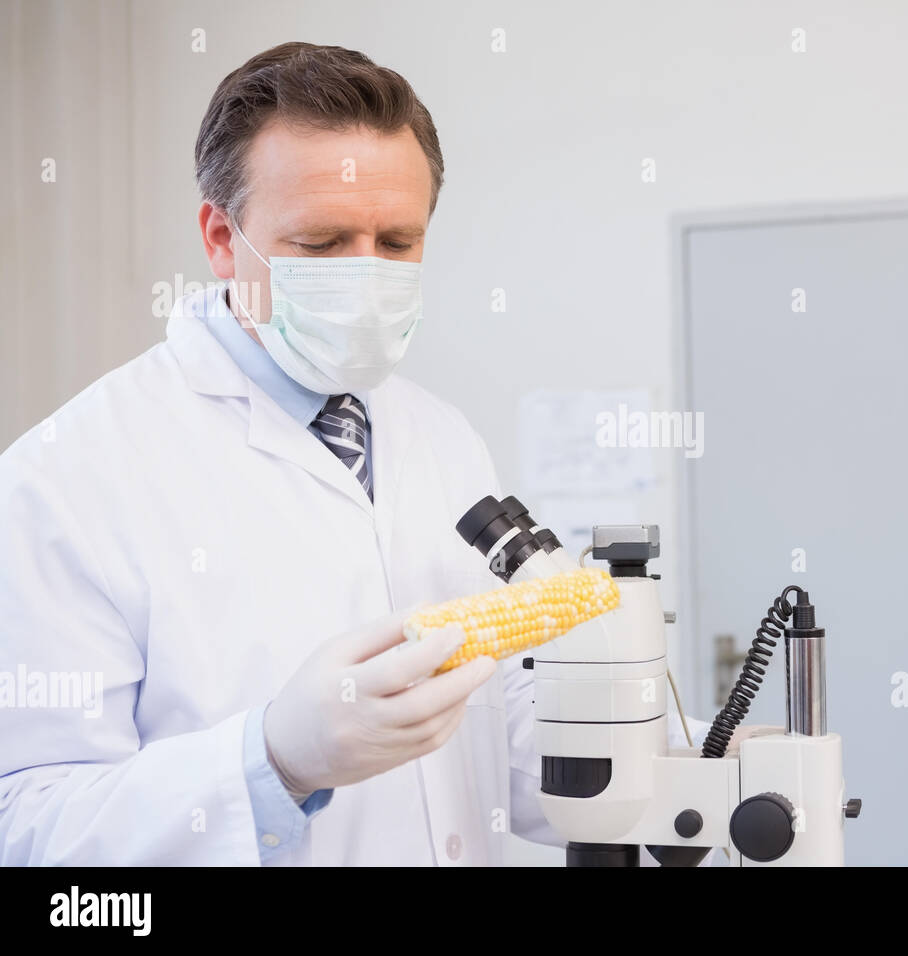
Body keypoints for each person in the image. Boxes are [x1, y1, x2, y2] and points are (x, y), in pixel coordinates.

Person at [0, 42, 755, 866]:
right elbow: (31, 828)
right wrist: (275, 762)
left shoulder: (441, 437)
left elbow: (501, 738)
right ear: (222, 237)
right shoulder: (65, 480)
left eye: (397, 242)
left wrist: (680, 766)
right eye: (321, 244)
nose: (366, 279)